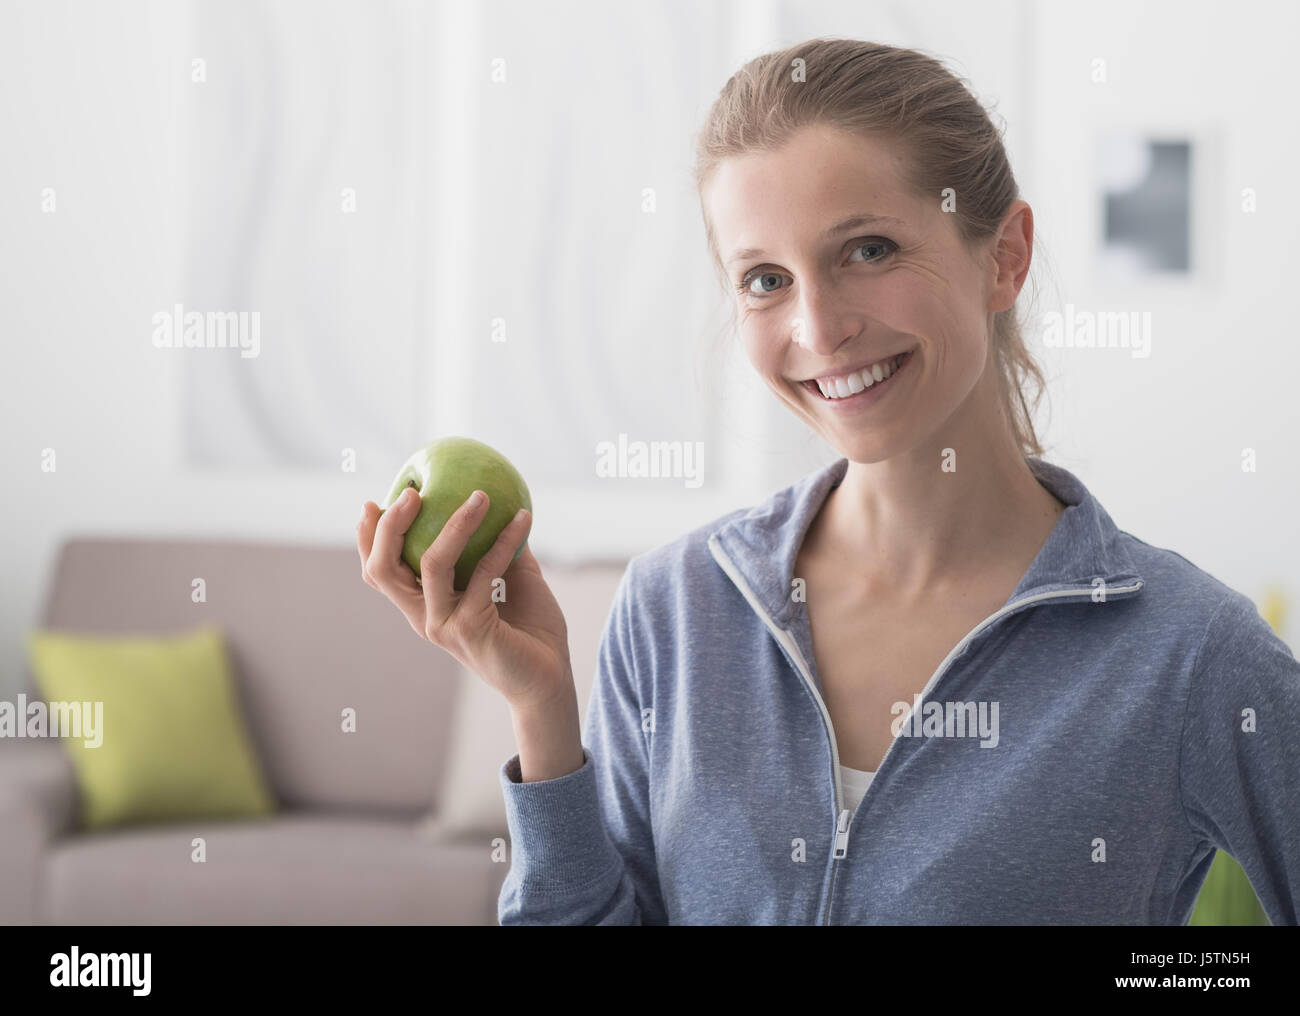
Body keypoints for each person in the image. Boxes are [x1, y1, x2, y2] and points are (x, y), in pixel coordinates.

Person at [356, 38, 1300, 925]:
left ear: (1003, 257)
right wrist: (543, 714)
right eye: (764, 279)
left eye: (869, 250)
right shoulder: (674, 608)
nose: (819, 327)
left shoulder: (1186, 653)